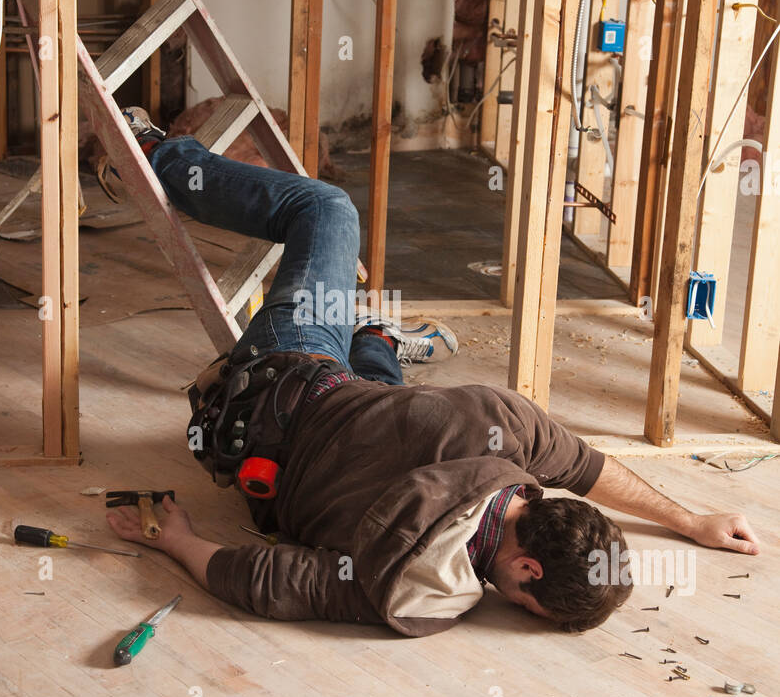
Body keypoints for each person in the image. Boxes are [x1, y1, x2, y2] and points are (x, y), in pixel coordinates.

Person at [106, 112, 760, 636]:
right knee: (389, 402)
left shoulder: (503, 425)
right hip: (267, 435)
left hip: (287, 378)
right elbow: (269, 581)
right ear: (527, 569)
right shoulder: (412, 595)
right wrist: (180, 541)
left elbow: (585, 466)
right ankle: (371, 335)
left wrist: (689, 518)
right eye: (533, 609)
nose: (520, 611)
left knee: (329, 211)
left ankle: (159, 151)